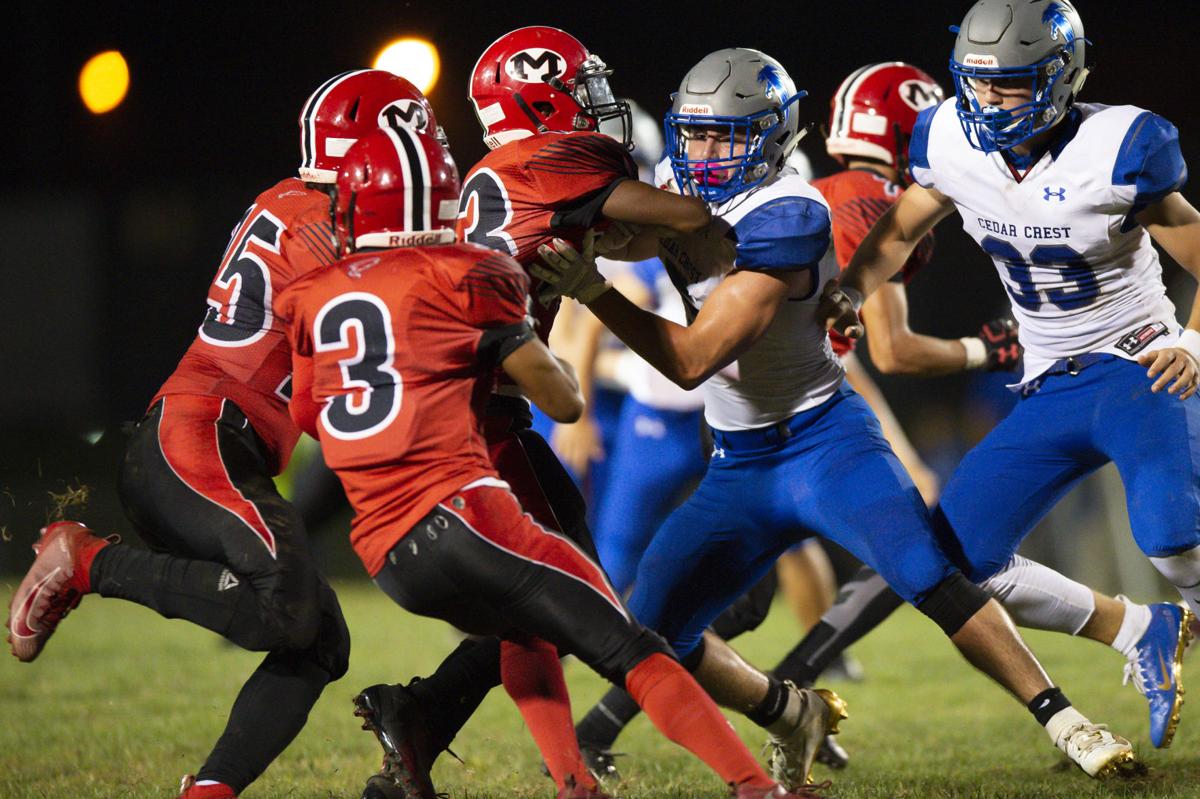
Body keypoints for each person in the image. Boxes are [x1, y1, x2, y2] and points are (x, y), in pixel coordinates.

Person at [535, 45, 1141, 783]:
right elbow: (624, 231)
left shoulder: (789, 212)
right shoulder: (676, 181)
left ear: (773, 138)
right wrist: (563, 216)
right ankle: (788, 709)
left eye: (725, 136)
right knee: (650, 626)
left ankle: (1067, 720)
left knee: (929, 574)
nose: (704, 152)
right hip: (737, 461)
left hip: (823, 444)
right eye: (694, 133)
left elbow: (693, 359)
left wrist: (594, 289)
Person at [349, 27, 839, 799]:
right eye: (582, 90)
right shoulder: (553, 159)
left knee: (545, 608)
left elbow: (626, 239)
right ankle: (752, 777)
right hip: (486, 422)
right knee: (601, 617)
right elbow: (685, 216)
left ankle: (448, 729)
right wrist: (758, 219)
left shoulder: (492, 175)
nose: (597, 105)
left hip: (455, 418)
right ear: (543, 102)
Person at [4, 70, 441, 799]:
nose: (427, 159)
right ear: (369, 148)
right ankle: (85, 560)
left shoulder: (308, 205)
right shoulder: (321, 222)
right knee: (289, 608)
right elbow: (392, 341)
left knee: (318, 638)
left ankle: (211, 788)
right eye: (412, 139)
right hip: (199, 436)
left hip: (210, 446)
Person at [819, 0, 1198, 752]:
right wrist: (854, 288)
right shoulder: (949, 138)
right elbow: (901, 226)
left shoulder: (1119, 145)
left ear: (1062, 78)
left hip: (1138, 366)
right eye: (978, 82)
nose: (989, 101)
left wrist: (1193, 341)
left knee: (1172, 537)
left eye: (1012, 84)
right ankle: (1139, 628)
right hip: (1049, 378)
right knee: (955, 564)